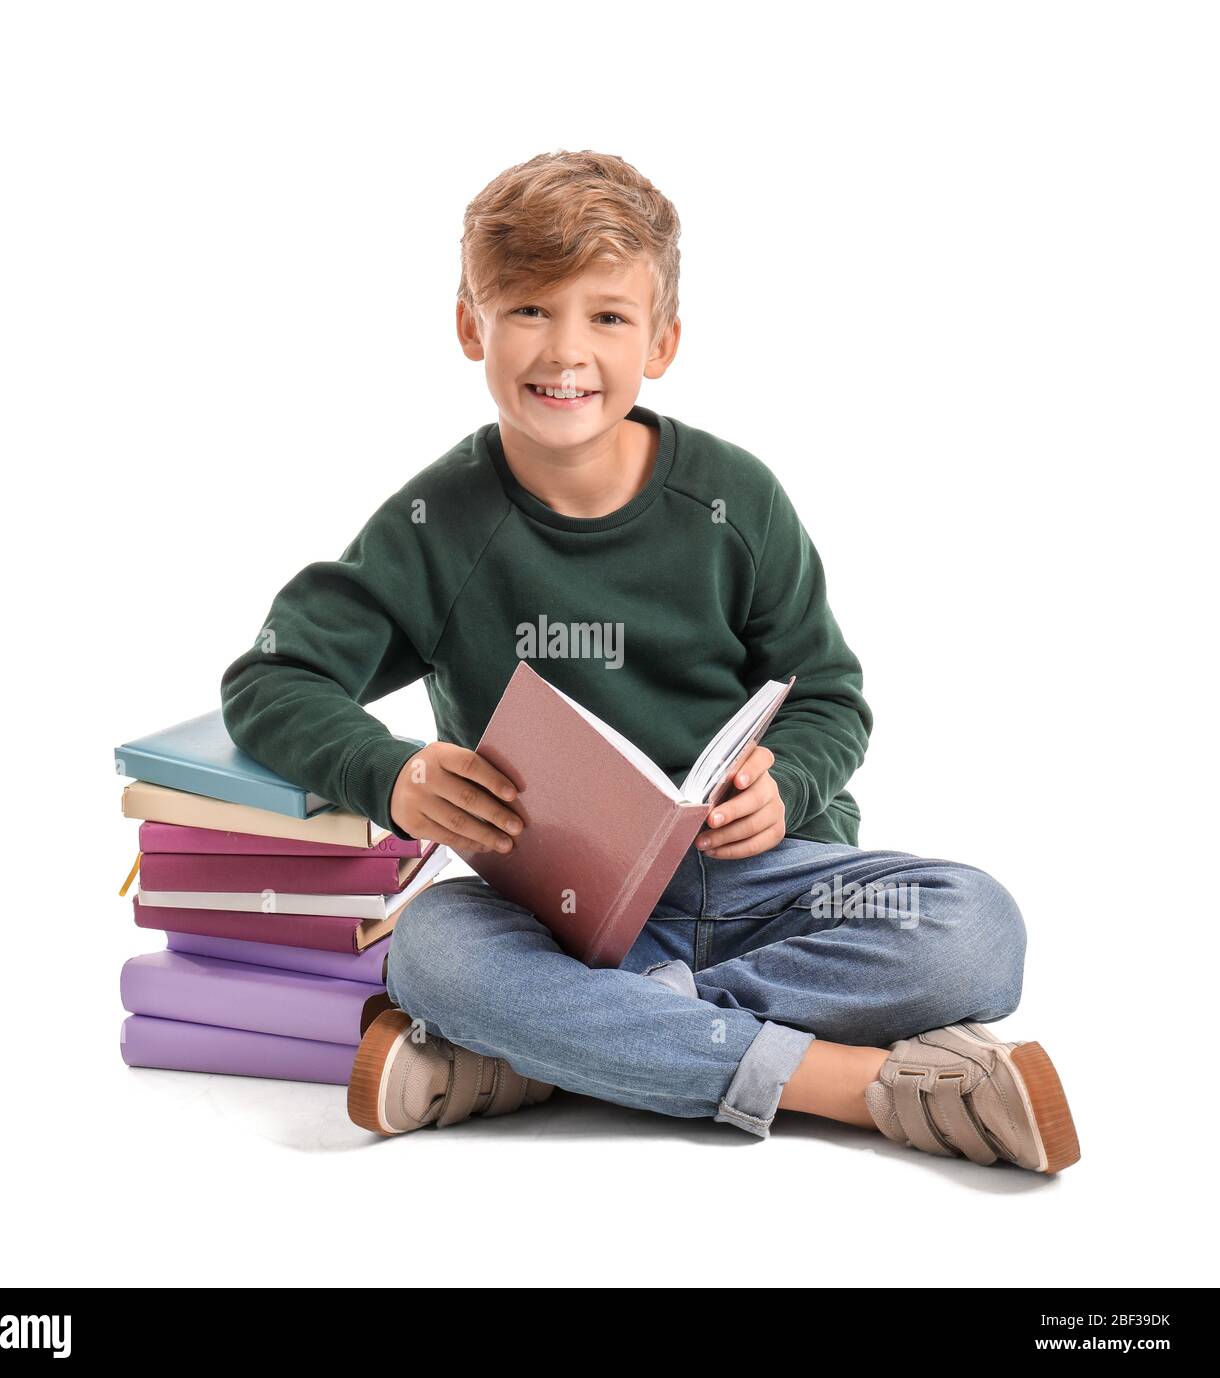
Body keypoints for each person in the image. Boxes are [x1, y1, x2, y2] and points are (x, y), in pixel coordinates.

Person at [221, 149, 1079, 1172]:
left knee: (977, 928)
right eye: (529, 310)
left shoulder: (735, 501)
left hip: (767, 886)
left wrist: (789, 779)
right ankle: (843, 1082)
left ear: (662, 342)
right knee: (432, 951)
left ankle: (550, 1053)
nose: (565, 350)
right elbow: (269, 679)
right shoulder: (434, 523)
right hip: (556, 913)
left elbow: (832, 698)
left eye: (608, 317)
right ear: (470, 327)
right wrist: (397, 774)